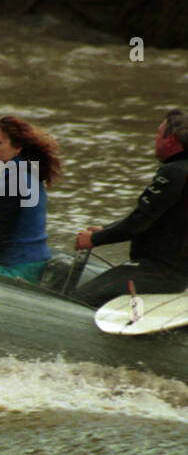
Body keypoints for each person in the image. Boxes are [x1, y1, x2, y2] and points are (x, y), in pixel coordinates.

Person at [73, 110, 188, 307]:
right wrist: (106, 229)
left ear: (169, 141)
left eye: (158, 133)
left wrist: (94, 239)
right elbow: (153, 218)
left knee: (79, 299)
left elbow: (138, 222)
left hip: (158, 271)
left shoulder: (174, 172)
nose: (155, 137)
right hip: (172, 273)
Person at [0, 115, 60, 282]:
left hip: (20, 265)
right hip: (32, 259)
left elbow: (3, 228)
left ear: (17, 147)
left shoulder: (17, 177)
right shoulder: (26, 171)